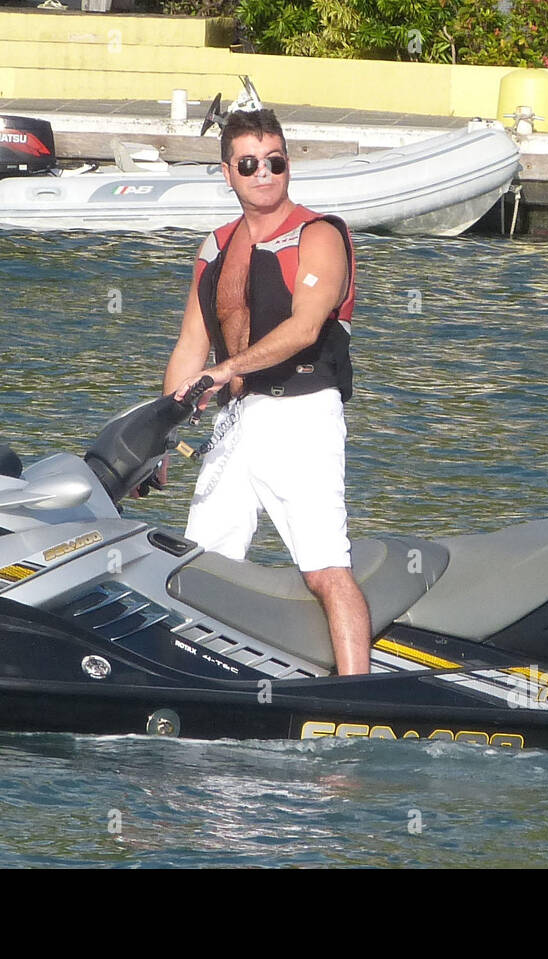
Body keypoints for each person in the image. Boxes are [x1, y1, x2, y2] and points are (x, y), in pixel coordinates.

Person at [161, 108, 372, 676]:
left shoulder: (318, 234)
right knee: (200, 566)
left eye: (275, 162)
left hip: (303, 413)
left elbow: (305, 329)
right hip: (236, 420)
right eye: (249, 164)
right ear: (227, 171)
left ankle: (360, 699)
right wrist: (161, 438)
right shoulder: (215, 246)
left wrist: (221, 371)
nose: (264, 173)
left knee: (324, 568)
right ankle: (196, 682)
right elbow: (189, 347)